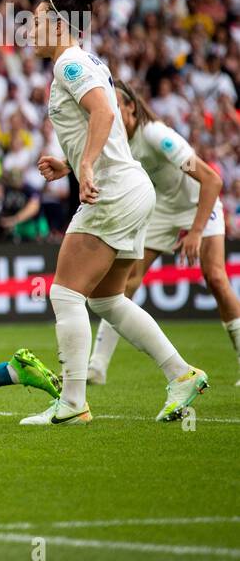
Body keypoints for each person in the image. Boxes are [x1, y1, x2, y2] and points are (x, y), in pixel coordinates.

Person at [31, 0, 205, 425]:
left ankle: (72, 404)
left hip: (114, 188)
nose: (28, 30)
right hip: (131, 187)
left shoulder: (68, 62)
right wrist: (70, 163)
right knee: (107, 301)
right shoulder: (87, 61)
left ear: (56, 24)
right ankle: (180, 373)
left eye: (34, 21)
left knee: (65, 293)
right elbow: (102, 124)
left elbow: (105, 116)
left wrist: (85, 165)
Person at [88, 81, 240, 386]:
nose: (111, 111)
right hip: (161, 210)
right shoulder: (117, 141)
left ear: (131, 106)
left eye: (116, 103)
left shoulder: (156, 135)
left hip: (199, 201)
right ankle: (96, 367)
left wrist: (195, 231)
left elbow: (211, 180)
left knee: (216, 278)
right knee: (125, 283)